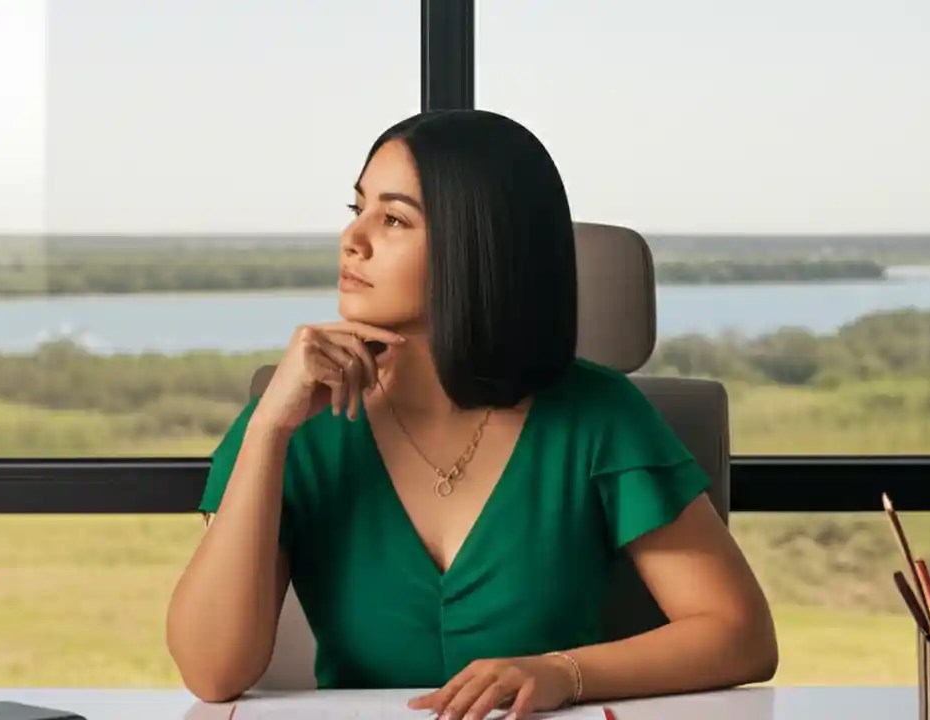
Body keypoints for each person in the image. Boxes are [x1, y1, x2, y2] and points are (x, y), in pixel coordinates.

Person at [167, 109, 777, 719]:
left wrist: (562, 672)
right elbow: (213, 673)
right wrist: (270, 428)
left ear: (480, 247)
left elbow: (741, 635)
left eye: (395, 218)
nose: (352, 240)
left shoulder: (598, 416)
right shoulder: (294, 422)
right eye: (358, 211)